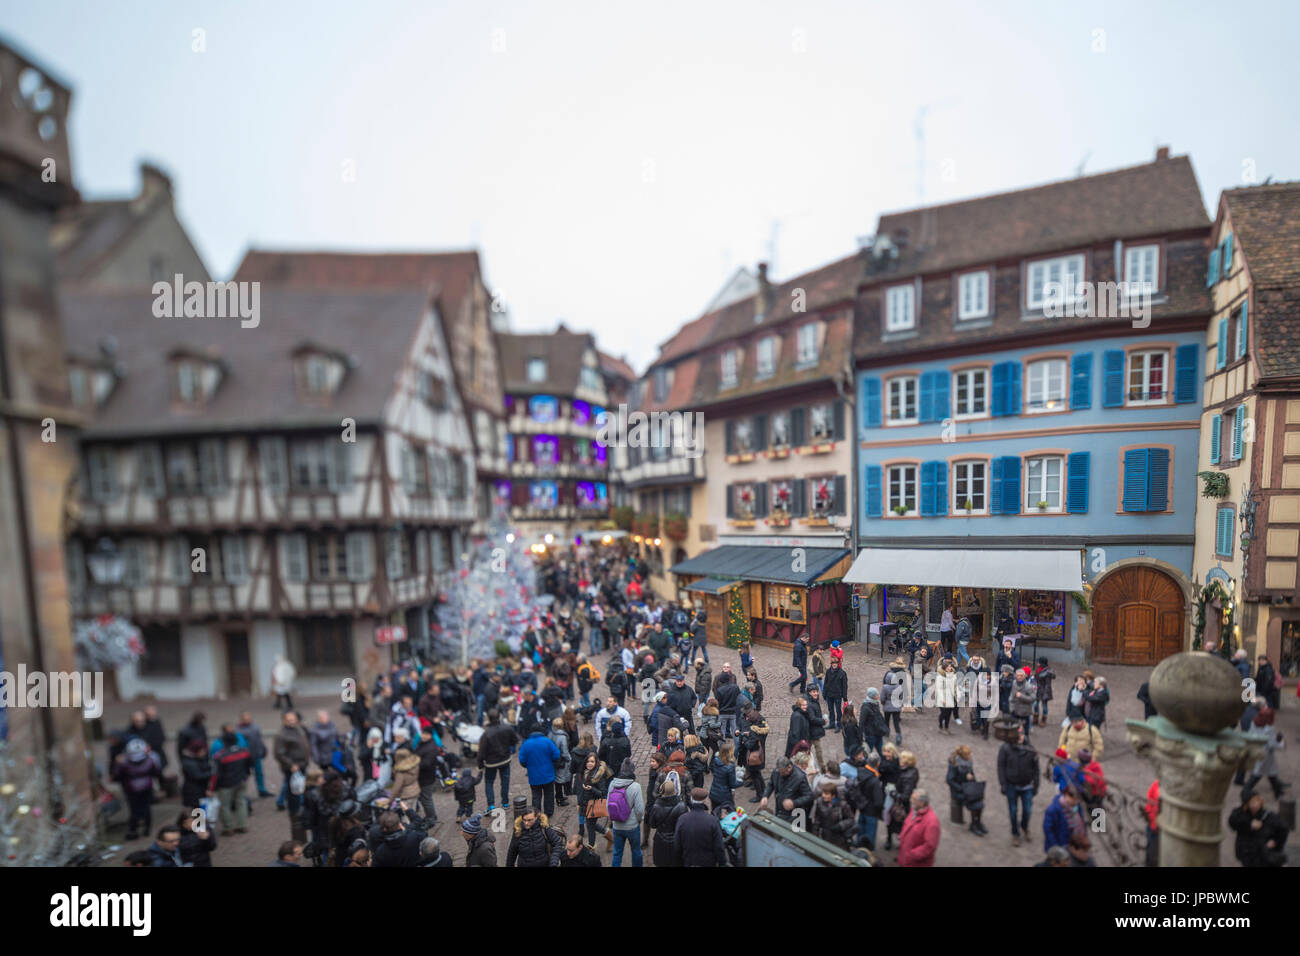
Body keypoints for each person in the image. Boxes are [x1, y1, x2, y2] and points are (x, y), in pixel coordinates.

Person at [997, 725, 1039, 847]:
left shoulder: (1031, 749)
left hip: (1027, 786)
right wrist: (1003, 784)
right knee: (1013, 811)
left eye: (1022, 734)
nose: (1020, 737)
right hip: (1011, 786)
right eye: (1018, 735)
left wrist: (1036, 785)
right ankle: (1015, 833)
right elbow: (1001, 767)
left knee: (1028, 810)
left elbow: (1036, 769)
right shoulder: (1005, 749)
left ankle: (1025, 827)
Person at [113, 738, 162, 841]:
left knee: (134, 809)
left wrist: (117, 764)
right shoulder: (150, 760)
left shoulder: (124, 763)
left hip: (131, 789)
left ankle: (133, 830)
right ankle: (146, 829)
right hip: (146, 787)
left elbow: (117, 776)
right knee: (146, 808)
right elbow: (156, 772)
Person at [1228, 789, 1287, 867]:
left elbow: (1283, 830)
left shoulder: (1269, 816)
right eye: (1251, 802)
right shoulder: (1240, 814)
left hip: (1265, 857)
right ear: (1246, 804)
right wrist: (1249, 825)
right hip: (1248, 855)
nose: (1254, 805)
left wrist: (1275, 841)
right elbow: (1233, 822)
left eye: (1256, 801)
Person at [674, 788, 728, 866]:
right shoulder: (712, 821)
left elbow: (677, 844)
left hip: (688, 861)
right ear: (704, 801)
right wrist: (722, 862)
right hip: (708, 862)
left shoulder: (682, 819)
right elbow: (719, 846)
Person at [608, 757, 646, 867]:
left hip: (617, 826)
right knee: (636, 852)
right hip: (632, 826)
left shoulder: (612, 784)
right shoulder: (635, 786)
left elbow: (608, 805)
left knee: (617, 853)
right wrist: (639, 820)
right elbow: (639, 809)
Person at [478, 709, 518, 812]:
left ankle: (491, 805)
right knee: (505, 781)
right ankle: (505, 802)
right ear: (500, 716)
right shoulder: (507, 728)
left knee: (489, 782)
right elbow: (515, 740)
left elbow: (481, 751)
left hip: (491, 763)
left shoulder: (486, 734)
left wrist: (480, 764)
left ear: (489, 719)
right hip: (505, 759)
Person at [273, 711, 310, 815]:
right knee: (293, 791)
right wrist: (291, 765)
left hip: (302, 764)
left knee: (302, 787)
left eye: (293, 719)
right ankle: (294, 812)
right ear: (284, 720)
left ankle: (301, 808)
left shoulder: (299, 729)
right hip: (292, 767)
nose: (292, 721)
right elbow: (279, 754)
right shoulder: (281, 735)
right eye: (289, 720)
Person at [760, 755, 814, 824]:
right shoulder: (777, 771)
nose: (780, 774)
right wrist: (765, 795)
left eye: (782, 772)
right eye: (779, 771)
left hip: (794, 814)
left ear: (789, 767)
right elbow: (771, 784)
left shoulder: (800, 777)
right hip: (779, 809)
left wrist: (794, 803)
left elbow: (809, 796)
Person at [647, 776, 688, 867]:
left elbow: (652, 824)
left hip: (661, 838)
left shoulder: (656, 806)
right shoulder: (682, 806)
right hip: (677, 840)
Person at [947, 744, 987, 836]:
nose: (970, 756)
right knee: (974, 803)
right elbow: (950, 780)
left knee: (979, 801)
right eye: (968, 755)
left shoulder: (968, 762)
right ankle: (973, 825)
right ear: (963, 756)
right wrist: (963, 788)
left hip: (968, 788)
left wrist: (973, 782)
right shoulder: (954, 765)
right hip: (959, 791)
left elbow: (971, 775)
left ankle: (977, 822)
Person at [898, 789, 940, 867]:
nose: (910, 801)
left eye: (913, 799)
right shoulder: (914, 810)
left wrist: (910, 855)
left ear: (921, 803)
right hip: (905, 858)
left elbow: (929, 847)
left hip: (915, 863)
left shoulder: (932, 822)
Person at [811, 781, 856, 848]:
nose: (823, 795)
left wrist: (840, 826)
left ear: (833, 795)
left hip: (839, 838)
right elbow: (817, 821)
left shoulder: (842, 805)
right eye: (823, 793)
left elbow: (851, 819)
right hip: (824, 835)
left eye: (826, 794)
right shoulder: (819, 802)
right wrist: (815, 837)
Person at [1043, 787, 1086, 852]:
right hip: (1059, 845)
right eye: (1074, 799)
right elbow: (1048, 830)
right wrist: (1055, 847)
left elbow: (1082, 823)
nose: (1076, 802)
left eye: (1078, 800)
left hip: (1074, 844)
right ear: (1066, 795)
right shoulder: (1053, 810)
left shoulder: (1077, 808)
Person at [882, 659, 907, 746]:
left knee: (887, 720)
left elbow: (882, 697)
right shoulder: (902, 674)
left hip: (887, 706)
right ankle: (898, 736)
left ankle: (886, 733)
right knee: (896, 723)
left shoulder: (888, 674)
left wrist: (884, 702)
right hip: (896, 706)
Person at [708, 743, 739, 813]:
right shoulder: (730, 766)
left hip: (713, 792)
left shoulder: (716, 761)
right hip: (725, 795)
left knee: (714, 812)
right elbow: (733, 784)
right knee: (730, 813)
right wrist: (742, 781)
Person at [824, 657, 848, 731]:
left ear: (838, 664)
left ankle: (839, 725)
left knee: (838, 711)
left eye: (836, 664)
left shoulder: (842, 673)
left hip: (837, 695)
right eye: (833, 664)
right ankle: (831, 724)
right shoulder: (828, 671)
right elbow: (825, 683)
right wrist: (824, 693)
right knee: (830, 710)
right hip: (829, 694)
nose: (834, 665)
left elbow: (844, 686)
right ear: (831, 664)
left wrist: (845, 698)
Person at [1033, 658, 1055, 727]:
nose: (1037, 663)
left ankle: (1043, 719)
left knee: (1044, 705)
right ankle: (1035, 717)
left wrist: (1046, 694)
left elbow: (1048, 685)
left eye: (1038, 662)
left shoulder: (1047, 673)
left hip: (1044, 691)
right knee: (1035, 704)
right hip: (1037, 690)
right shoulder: (1038, 669)